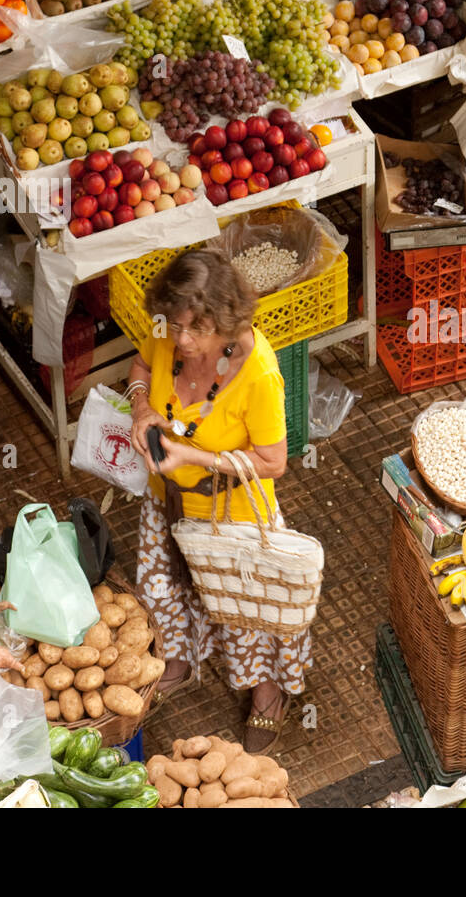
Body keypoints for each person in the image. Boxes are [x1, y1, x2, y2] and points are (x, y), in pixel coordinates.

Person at [126, 249, 302, 753]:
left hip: (233, 513)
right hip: (167, 500)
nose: (182, 339)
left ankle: (267, 695)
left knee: (244, 614)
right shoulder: (167, 333)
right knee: (162, 589)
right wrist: (141, 408)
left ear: (226, 319)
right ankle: (179, 661)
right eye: (177, 325)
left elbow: (273, 462)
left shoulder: (258, 373)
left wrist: (190, 455)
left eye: (196, 328)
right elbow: (141, 365)